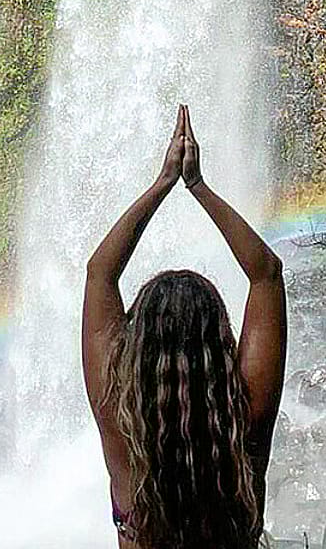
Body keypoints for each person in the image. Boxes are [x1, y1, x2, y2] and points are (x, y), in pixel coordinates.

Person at [82, 104, 287, 549]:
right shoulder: (245, 427)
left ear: (135, 346)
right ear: (220, 341)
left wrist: (162, 183)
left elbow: (100, 273)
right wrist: (198, 186)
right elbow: (266, 273)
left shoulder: (119, 427)